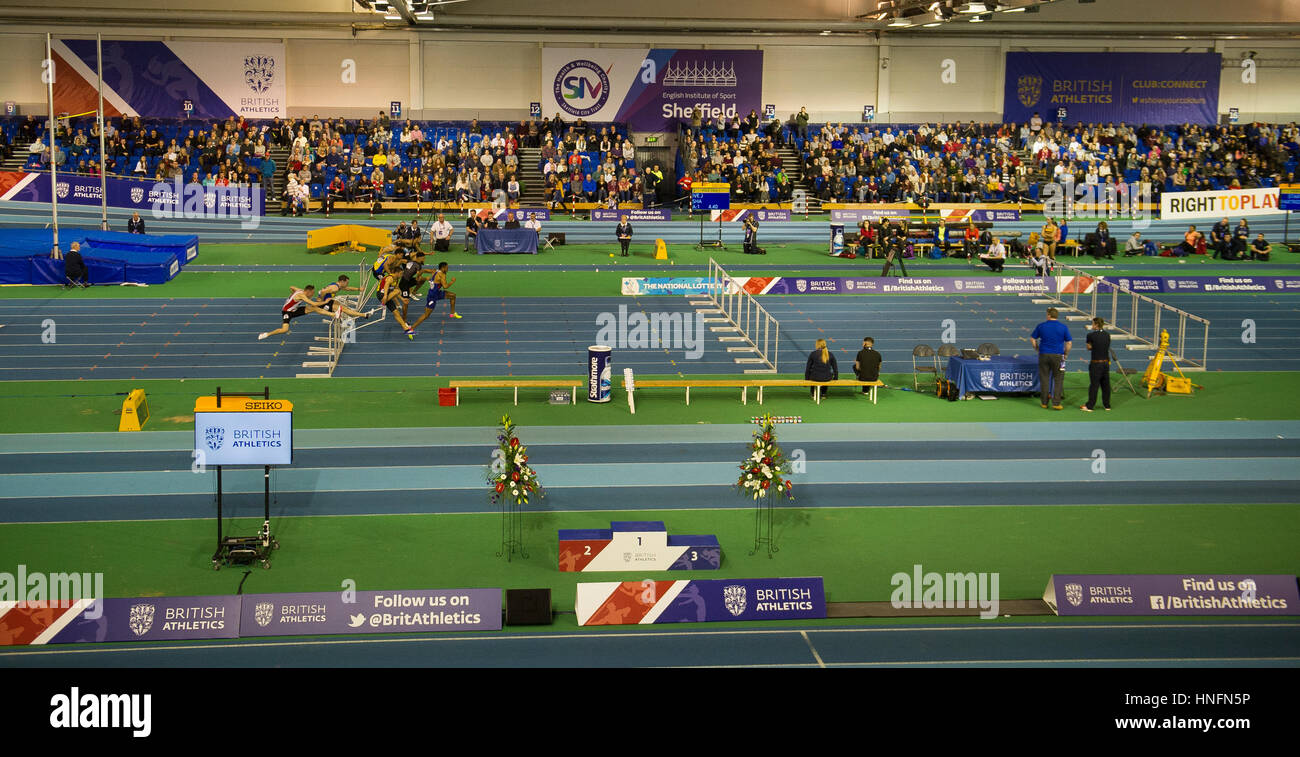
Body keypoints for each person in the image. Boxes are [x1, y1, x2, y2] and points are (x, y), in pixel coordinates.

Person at [1030, 307, 1072, 410]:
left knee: (1044, 379)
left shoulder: (1041, 326)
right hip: (1058, 356)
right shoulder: (1063, 327)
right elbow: (1069, 343)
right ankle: (1056, 403)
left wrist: (1037, 349)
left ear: (1049, 315)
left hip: (1044, 354)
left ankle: (1044, 403)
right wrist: (1065, 354)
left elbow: (1032, 339)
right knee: (1058, 379)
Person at [258, 284, 335, 340]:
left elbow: (291, 286)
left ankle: (333, 314)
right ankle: (266, 334)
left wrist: (292, 294)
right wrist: (325, 302)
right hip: (287, 312)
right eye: (312, 293)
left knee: (314, 308)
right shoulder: (301, 295)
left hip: (294, 310)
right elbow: (313, 303)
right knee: (285, 329)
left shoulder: (300, 291)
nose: (313, 294)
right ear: (308, 291)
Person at [409, 261, 461, 331]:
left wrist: (418, 277)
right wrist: (452, 281)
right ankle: (411, 329)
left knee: (453, 296)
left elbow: (423, 270)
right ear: (443, 268)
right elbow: (445, 286)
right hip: (432, 296)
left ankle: (452, 313)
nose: (448, 269)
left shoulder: (434, 271)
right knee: (426, 315)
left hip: (436, 292)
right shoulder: (441, 275)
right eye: (447, 268)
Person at [1080, 316, 1111, 412]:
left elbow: (1089, 347)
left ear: (1096, 325)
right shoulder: (1107, 335)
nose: (1092, 326)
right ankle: (1107, 405)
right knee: (1106, 385)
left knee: (1094, 385)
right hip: (1106, 363)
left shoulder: (1090, 335)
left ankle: (1090, 406)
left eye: (1093, 324)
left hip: (1096, 364)